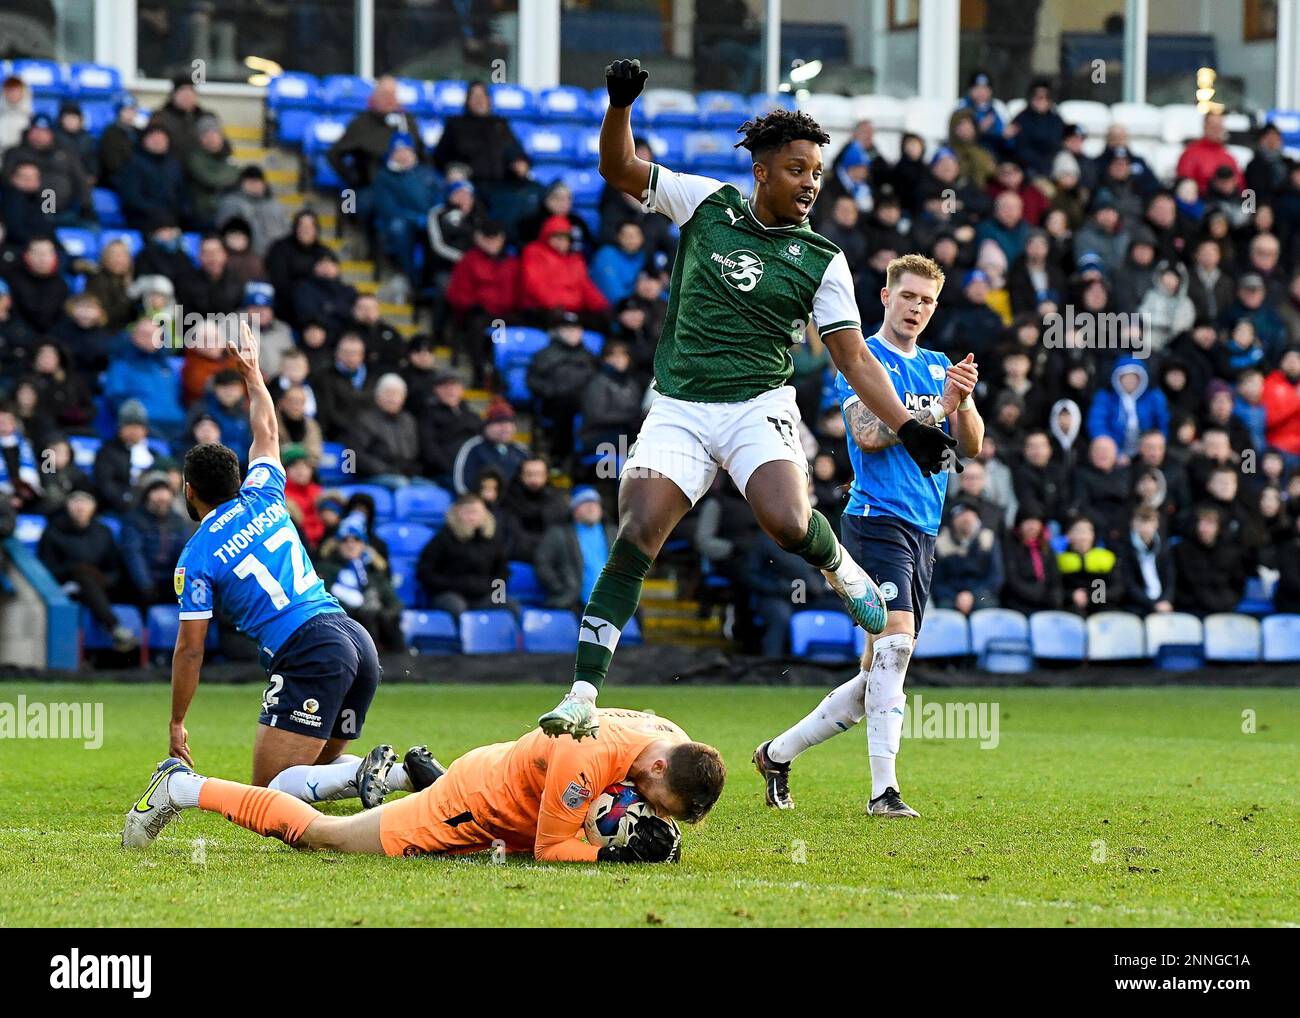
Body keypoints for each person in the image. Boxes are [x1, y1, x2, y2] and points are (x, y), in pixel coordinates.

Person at [538, 60, 956, 741]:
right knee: (636, 529)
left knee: (788, 522)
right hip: (679, 406)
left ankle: (839, 566)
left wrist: (908, 427)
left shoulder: (822, 259)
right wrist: (619, 106)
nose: (810, 184)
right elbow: (619, 169)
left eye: (817, 173)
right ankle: (583, 691)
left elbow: (852, 357)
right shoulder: (706, 204)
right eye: (797, 169)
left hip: (758, 405)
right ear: (762, 171)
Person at [754, 253, 982, 816]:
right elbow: (868, 432)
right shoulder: (864, 358)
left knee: (877, 672)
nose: (917, 308)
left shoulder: (936, 363)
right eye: (907, 296)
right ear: (885, 297)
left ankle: (776, 753)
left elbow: (971, 447)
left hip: (923, 529)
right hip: (876, 519)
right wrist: (938, 410)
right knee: (897, 648)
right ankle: (885, 792)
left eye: (927, 300)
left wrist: (965, 400)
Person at [164, 322, 393, 805]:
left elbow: (190, 650)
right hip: (353, 637)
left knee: (270, 792)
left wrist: (177, 720)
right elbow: (266, 430)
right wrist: (253, 375)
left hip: (311, 650)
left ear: (189, 491)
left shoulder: (196, 555)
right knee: (316, 770)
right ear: (238, 476)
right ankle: (397, 774)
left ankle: (381, 775)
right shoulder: (265, 493)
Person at [123, 709, 723, 865]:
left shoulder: (672, 738)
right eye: (652, 801)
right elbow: (550, 850)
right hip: (473, 809)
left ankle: (402, 776)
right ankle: (183, 787)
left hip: (507, 776)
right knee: (322, 838)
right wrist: (611, 853)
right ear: (661, 770)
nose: (647, 809)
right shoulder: (587, 756)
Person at [38, 489, 137, 652]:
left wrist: (104, 579)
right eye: (75, 502)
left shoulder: (103, 532)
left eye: (85, 502)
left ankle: (123, 641)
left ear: (93, 506)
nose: (80, 507)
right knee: (84, 578)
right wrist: (73, 569)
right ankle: (115, 628)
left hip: (104, 585)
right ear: (67, 505)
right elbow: (47, 569)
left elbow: (115, 568)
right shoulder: (53, 531)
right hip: (66, 585)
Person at [318, 512, 406, 654]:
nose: (351, 544)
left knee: (388, 621)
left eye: (356, 539)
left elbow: (395, 603)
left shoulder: (373, 572)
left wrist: (382, 615)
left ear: (363, 544)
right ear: (337, 543)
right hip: (344, 627)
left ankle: (402, 666)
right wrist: (359, 612)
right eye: (345, 540)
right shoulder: (325, 570)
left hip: (379, 628)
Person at [415, 493, 510, 616]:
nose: (472, 517)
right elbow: (424, 573)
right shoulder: (443, 539)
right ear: (458, 513)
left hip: (483, 595)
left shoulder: (493, 540)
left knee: (509, 606)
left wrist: (491, 590)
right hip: (449, 594)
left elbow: (503, 574)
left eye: (477, 512)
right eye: (468, 512)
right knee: (456, 606)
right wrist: (455, 585)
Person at [535, 487, 618, 612]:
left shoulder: (613, 533)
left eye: (595, 503)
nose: (591, 507)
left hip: (613, 602)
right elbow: (542, 563)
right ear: (574, 509)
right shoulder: (559, 533)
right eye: (585, 503)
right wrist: (562, 588)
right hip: (574, 604)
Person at [121, 477, 191, 606]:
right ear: (147, 496)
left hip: (171, 580)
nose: (162, 499)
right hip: (142, 582)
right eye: (157, 493)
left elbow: (186, 554)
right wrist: (145, 585)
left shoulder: (178, 521)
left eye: (166, 494)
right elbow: (133, 554)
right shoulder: (134, 520)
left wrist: (185, 581)